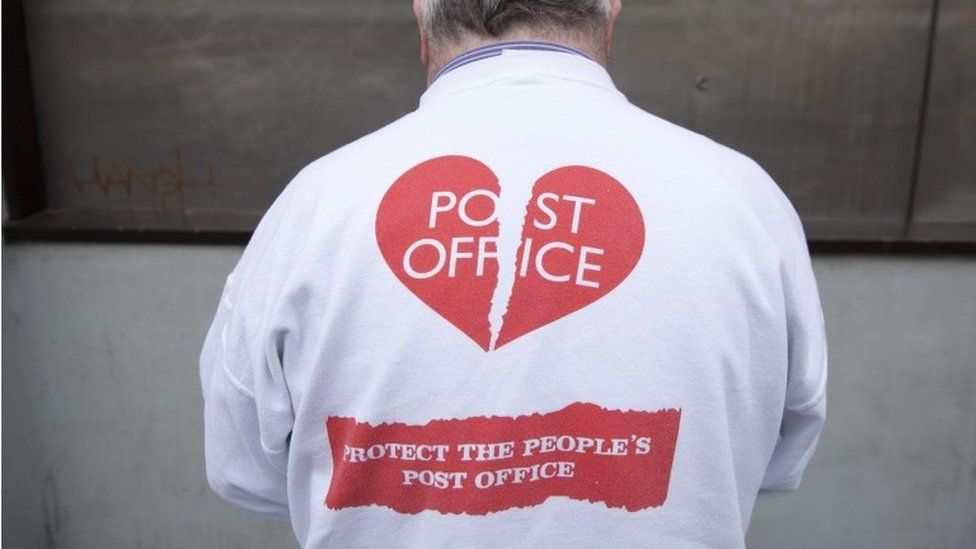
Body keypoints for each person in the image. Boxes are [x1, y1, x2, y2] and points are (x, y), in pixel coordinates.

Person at [199, 0, 828, 547]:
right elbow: (778, 451)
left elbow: (245, 469)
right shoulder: (741, 197)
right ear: (609, 8)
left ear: (423, 11)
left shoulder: (318, 202)